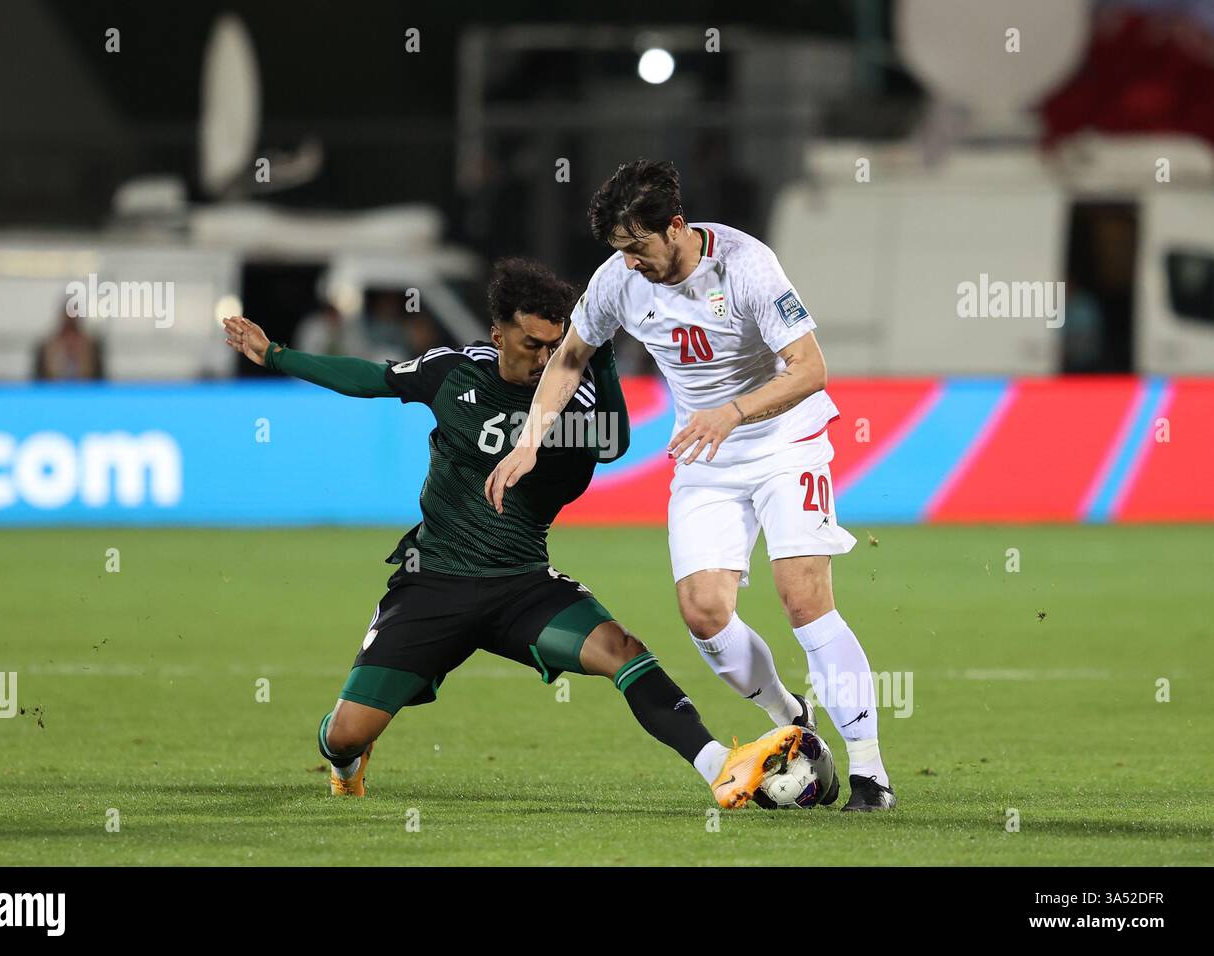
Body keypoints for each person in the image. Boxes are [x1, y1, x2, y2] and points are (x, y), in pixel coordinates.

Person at [222, 257, 810, 810]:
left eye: (556, 346)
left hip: (521, 586)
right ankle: (346, 761)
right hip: (434, 585)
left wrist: (596, 352)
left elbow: (613, 445)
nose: (545, 358)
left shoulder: (570, 403)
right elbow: (370, 378)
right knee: (346, 733)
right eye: (532, 345)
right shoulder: (451, 373)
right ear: (499, 334)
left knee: (622, 652)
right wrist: (274, 355)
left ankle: (720, 766)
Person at [486, 161, 895, 811]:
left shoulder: (747, 268)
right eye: (619, 250)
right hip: (705, 458)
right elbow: (570, 354)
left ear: (676, 226)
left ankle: (871, 774)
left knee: (802, 597)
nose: (630, 262)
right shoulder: (618, 278)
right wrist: (531, 438)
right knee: (704, 612)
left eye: (638, 246)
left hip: (785, 443)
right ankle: (794, 719)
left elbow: (810, 368)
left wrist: (732, 411)